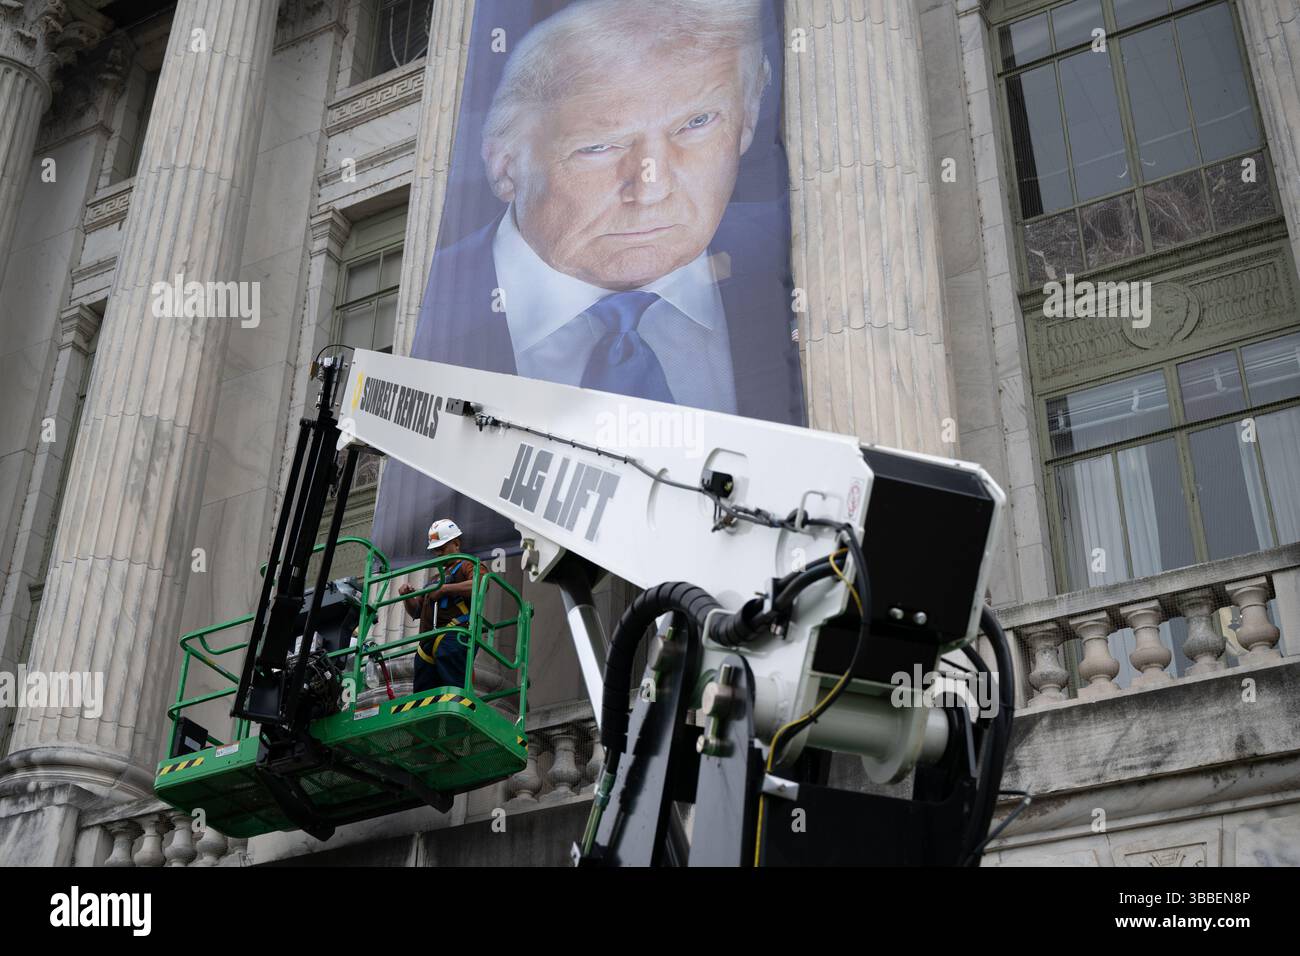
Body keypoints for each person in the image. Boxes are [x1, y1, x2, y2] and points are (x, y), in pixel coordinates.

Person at [375, 0, 803, 564]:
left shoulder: (790, 257)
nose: (650, 187)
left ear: (747, 122)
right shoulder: (448, 305)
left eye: (696, 123)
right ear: (505, 166)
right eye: (600, 146)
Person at [398, 518, 476, 693]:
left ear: (456, 543)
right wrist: (407, 596)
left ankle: (461, 704)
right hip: (428, 641)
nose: (438, 553)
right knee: (422, 689)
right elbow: (416, 611)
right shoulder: (434, 579)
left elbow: (480, 584)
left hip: (453, 633)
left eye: (442, 548)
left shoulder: (466, 564)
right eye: (435, 550)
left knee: (454, 683)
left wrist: (445, 589)